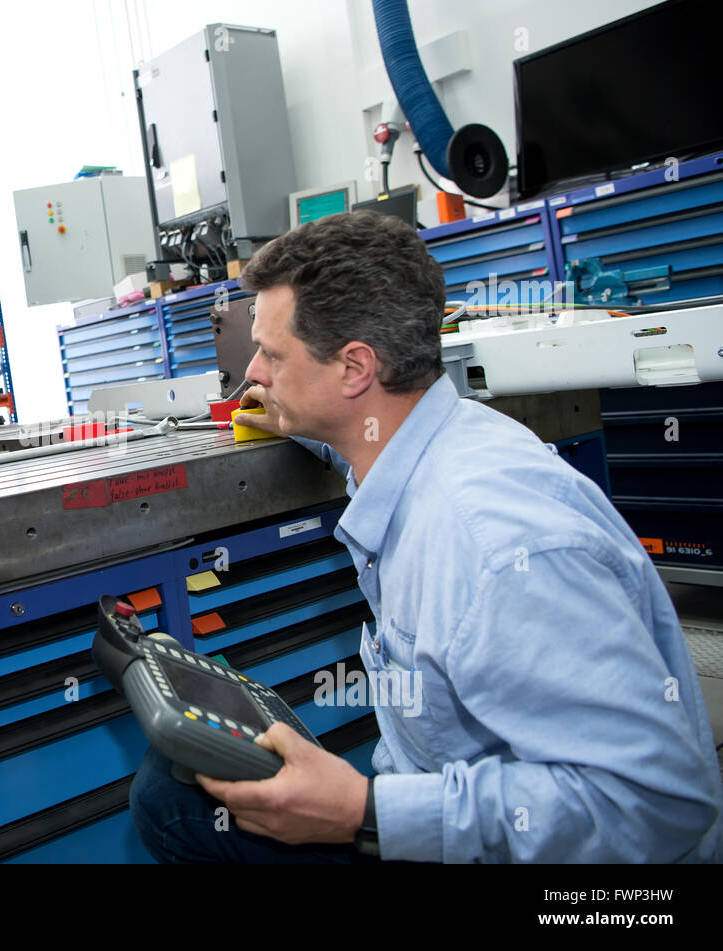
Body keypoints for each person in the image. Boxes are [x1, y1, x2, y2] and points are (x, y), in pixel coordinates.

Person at [129, 211, 723, 863]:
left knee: (173, 804)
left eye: (271, 354)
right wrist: (305, 420)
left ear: (354, 368)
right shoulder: (426, 434)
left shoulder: (495, 545)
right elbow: (362, 442)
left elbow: (657, 803)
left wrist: (362, 811)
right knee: (181, 775)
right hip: (440, 809)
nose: (253, 375)